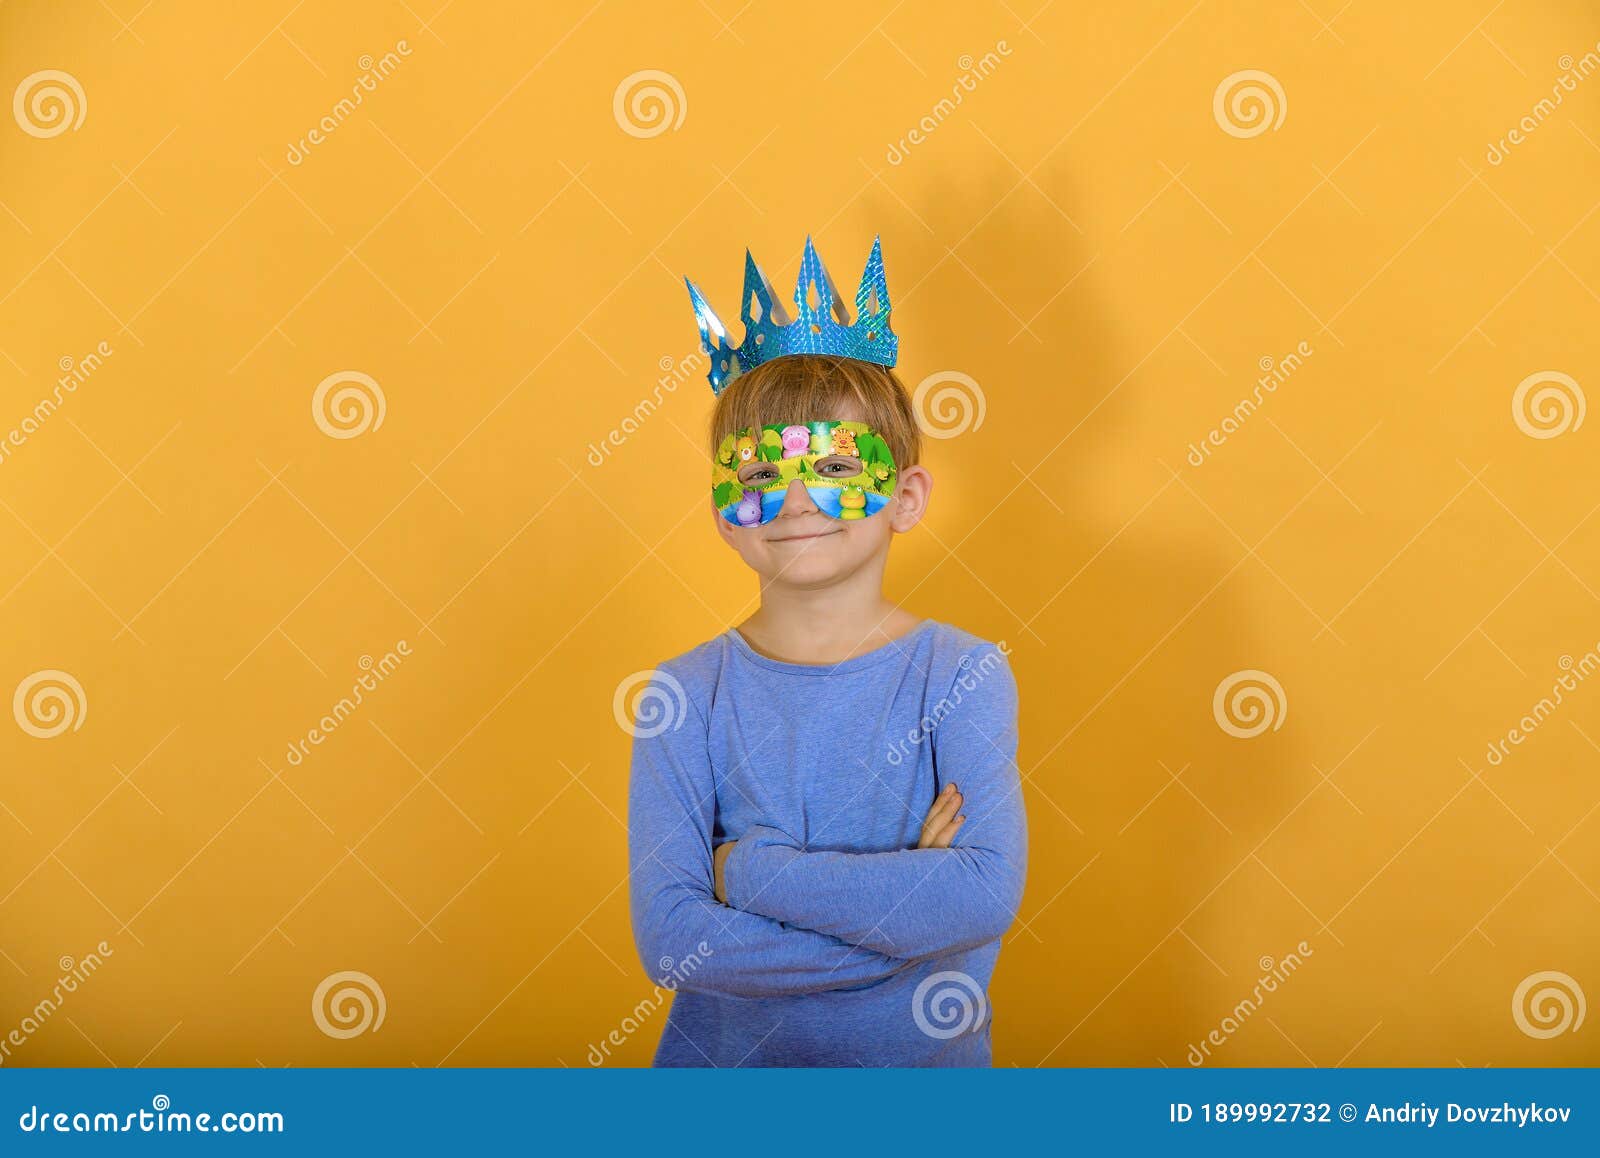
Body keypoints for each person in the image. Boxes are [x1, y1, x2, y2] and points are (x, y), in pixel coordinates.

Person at [626, 237, 1026, 1066]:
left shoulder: (962, 675)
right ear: (722, 509)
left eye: (839, 464)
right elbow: (672, 942)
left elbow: (982, 894)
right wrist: (902, 919)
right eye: (758, 472)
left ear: (905, 496)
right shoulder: (683, 697)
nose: (798, 501)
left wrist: (749, 874)